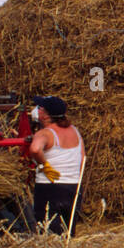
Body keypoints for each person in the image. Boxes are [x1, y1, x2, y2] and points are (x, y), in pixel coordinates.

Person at [28, 95, 85, 234]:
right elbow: (82, 157)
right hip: (73, 187)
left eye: (39, 108)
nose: (36, 110)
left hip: (50, 187)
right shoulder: (75, 131)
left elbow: (35, 149)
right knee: (67, 233)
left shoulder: (45, 133)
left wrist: (44, 166)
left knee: (48, 234)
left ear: (46, 115)